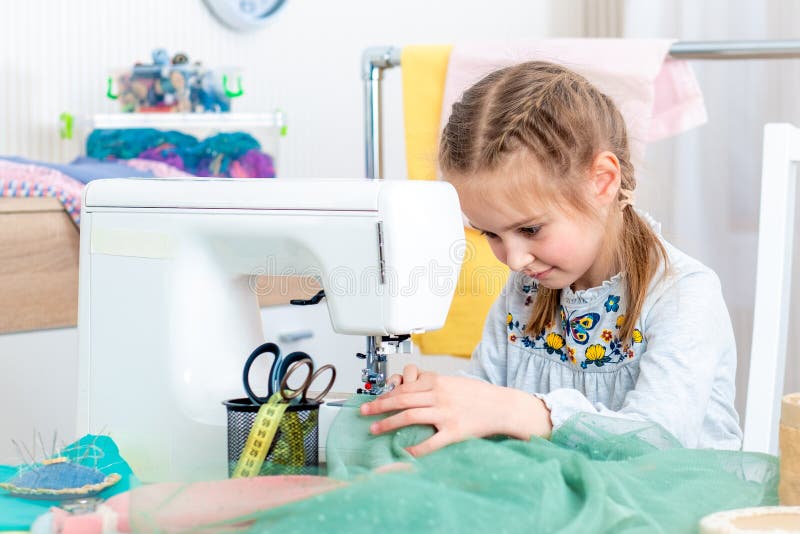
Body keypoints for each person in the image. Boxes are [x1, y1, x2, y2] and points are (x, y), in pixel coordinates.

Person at [361, 60, 743, 456]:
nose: (512, 259)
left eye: (529, 230)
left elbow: (657, 440)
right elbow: (486, 397)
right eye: (490, 233)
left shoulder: (683, 295)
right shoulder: (527, 292)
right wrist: (434, 404)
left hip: (671, 508)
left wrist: (523, 411)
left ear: (602, 182)